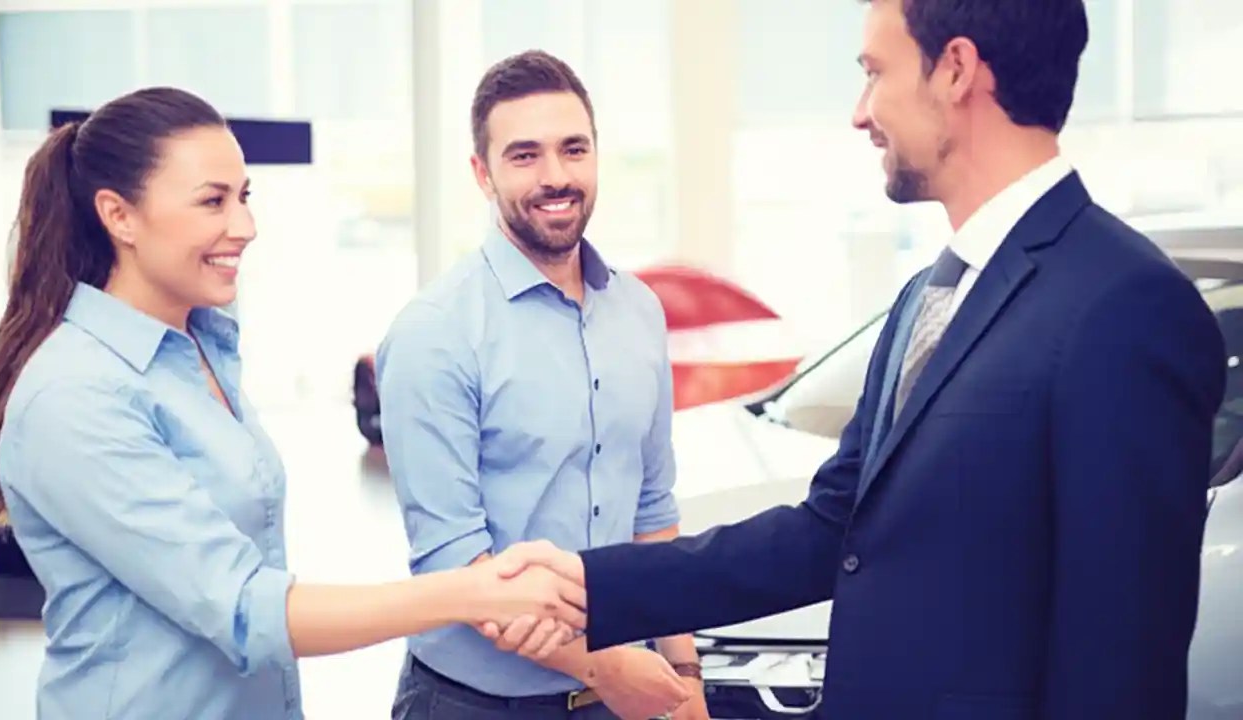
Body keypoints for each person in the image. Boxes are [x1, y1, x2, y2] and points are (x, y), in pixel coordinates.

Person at [491, 2, 1228, 718]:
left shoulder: (1127, 307)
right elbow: (832, 530)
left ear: (957, 71)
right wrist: (588, 582)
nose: (859, 110)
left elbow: (1120, 665)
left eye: (875, 72)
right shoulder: (927, 295)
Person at [0, 86, 584, 720]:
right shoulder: (75, 395)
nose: (245, 227)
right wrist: (474, 592)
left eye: (244, 197)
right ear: (118, 216)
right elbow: (244, 608)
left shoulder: (200, 346)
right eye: (213, 201)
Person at [376, 51, 706, 720]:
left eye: (572, 149)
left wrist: (684, 670)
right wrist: (612, 666)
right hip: (476, 704)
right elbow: (457, 566)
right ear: (482, 172)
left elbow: (651, 512)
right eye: (524, 155)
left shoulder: (639, 311)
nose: (556, 176)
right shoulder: (434, 333)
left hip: (623, 699)